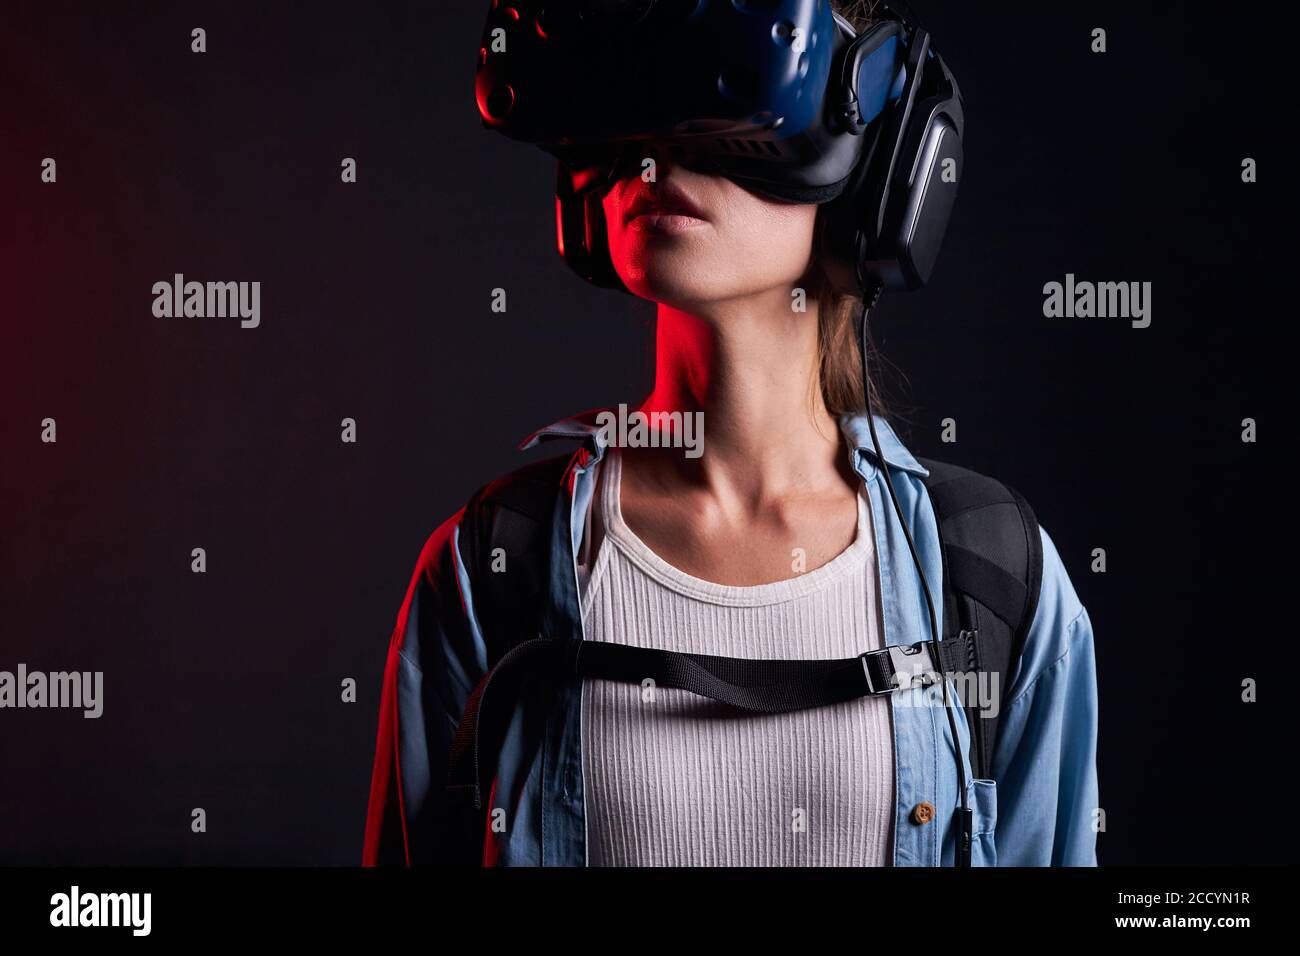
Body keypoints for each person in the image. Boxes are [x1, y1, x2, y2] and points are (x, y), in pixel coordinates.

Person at [364, 0, 1098, 867]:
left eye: (736, 103)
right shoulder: (490, 570)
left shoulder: (993, 580)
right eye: (640, 108)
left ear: (874, 164)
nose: (659, 155)